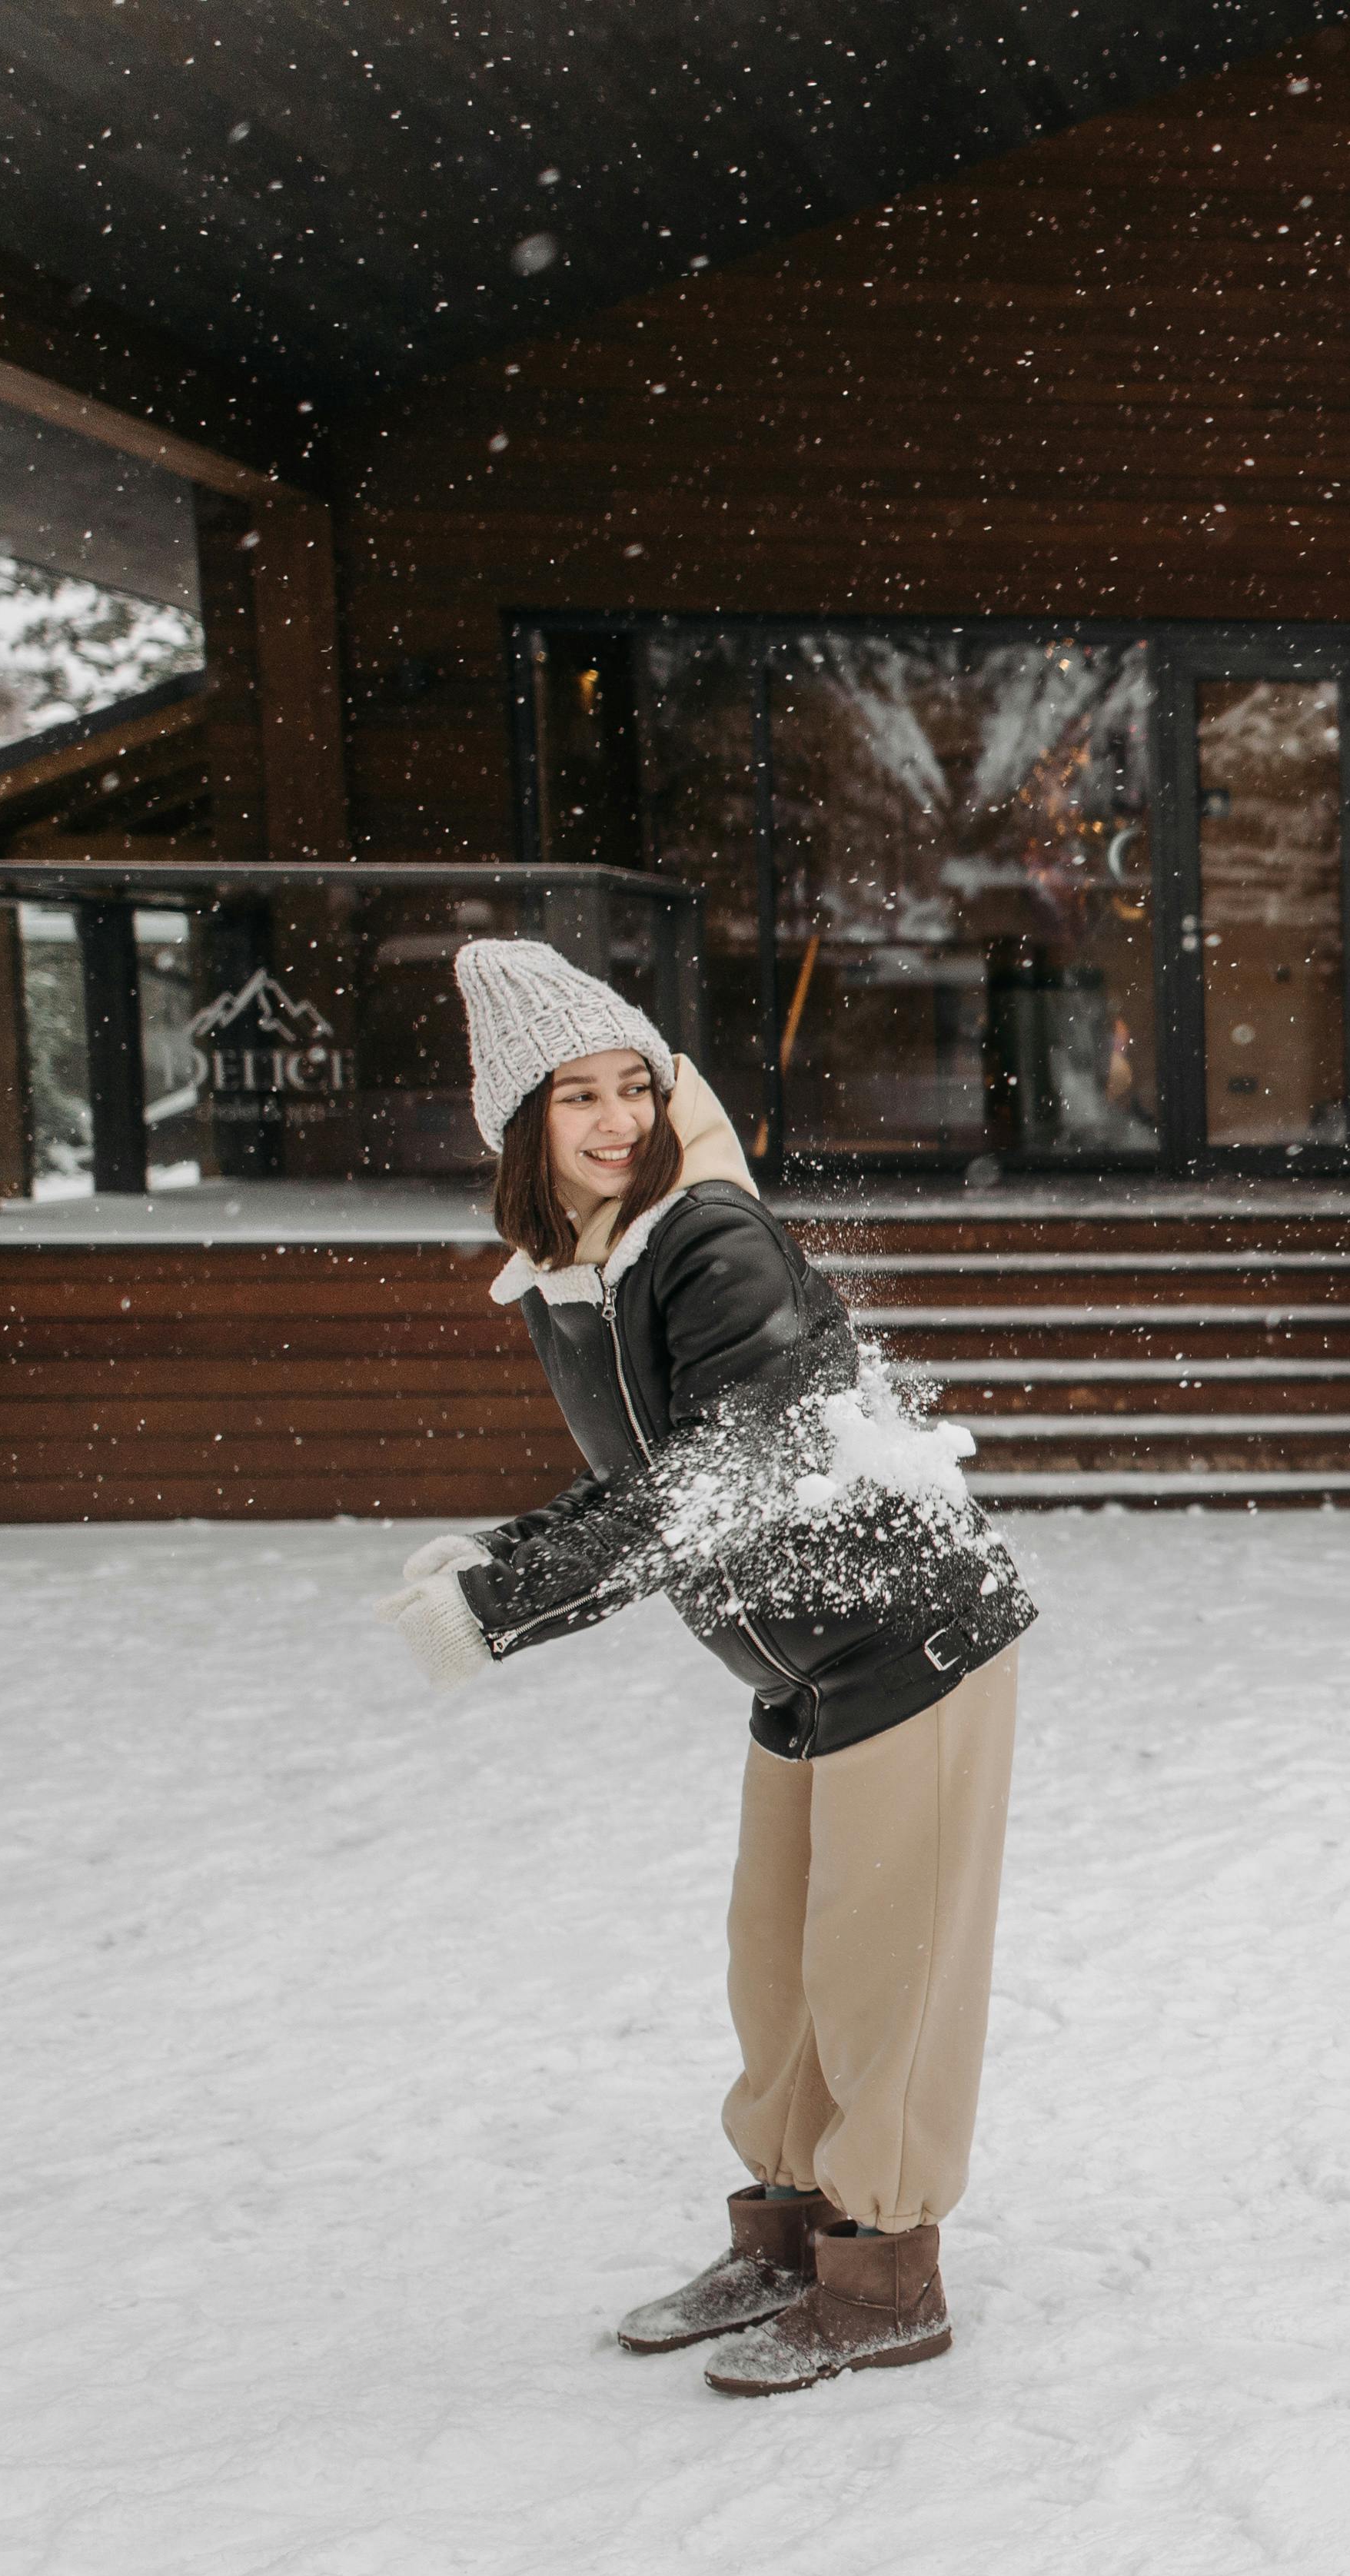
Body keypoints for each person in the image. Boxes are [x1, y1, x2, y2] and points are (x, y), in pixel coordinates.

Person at [367, 940, 1042, 2389]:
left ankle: (885, 2273)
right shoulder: (580, 1271)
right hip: (799, 1667)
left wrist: (507, 1598)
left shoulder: (706, 1240)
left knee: (883, 1971)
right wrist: (505, 1544)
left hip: (904, 1640)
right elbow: (653, 1474)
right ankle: (786, 2233)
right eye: (578, 1097)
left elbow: (728, 1472)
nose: (617, 1121)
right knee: (778, 1971)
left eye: (636, 1086)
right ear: (521, 1128)